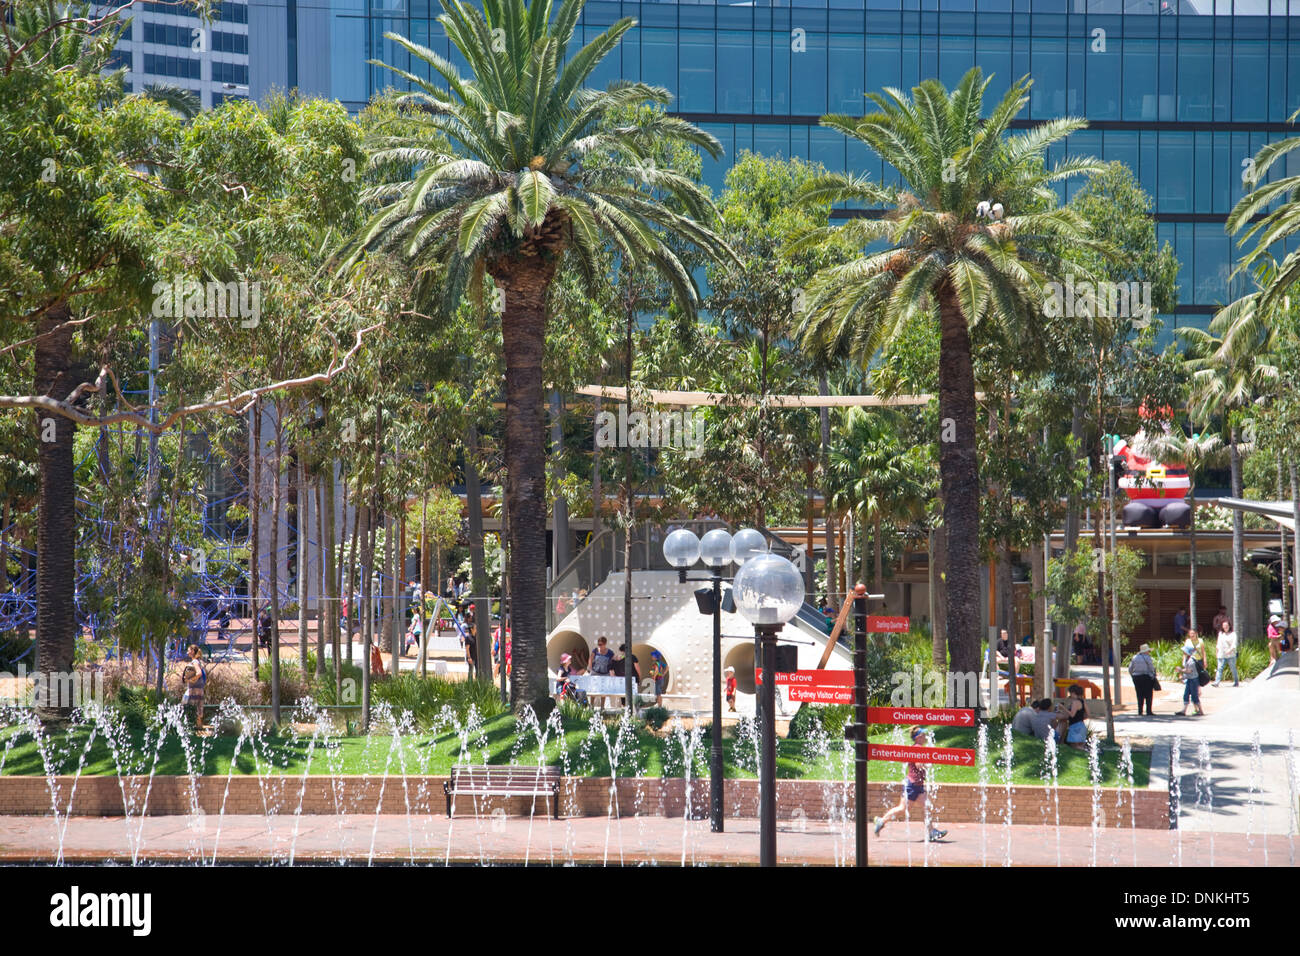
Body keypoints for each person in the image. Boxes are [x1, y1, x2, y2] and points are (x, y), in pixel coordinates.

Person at [872, 727, 947, 842]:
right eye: (923, 735)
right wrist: (929, 764)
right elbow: (918, 765)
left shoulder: (916, 748)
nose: (925, 737)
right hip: (913, 785)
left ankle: (932, 832)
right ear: (918, 737)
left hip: (916, 784)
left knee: (926, 807)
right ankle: (881, 821)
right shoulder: (917, 748)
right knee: (903, 808)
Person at [180, 644, 207, 730]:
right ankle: (199, 729)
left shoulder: (195, 662)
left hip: (193, 690)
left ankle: (190, 729)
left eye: (188, 650)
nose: (187, 652)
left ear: (192, 651)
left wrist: (191, 680)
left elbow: (199, 673)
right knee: (198, 712)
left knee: (188, 708)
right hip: (199, 689)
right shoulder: (199, 661)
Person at [1129, 642, 1158, 716]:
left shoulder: (1134, 657)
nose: (1149, 652)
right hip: (1146, 677)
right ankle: (1148, 711)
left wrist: (1133, 676)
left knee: (1139, 694)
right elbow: (1151, 668)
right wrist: (1153, 674)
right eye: (1148, 651)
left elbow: (1130, 668)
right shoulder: (1148, 658)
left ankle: (1140, 711)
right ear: (1146, 651)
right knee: (1148, 694)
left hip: (1136, 677)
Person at [1176, 640, 1203, 716]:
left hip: (1193, 680)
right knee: (1186, 694)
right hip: (1189, 679)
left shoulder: (1191, 661)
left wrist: (1181, 670)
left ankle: (1200, 710)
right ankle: (1184, 710)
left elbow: (1190, 671)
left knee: (1194, 696)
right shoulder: (1186, 659)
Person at [588, 636, 614, 709]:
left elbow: (613, 661)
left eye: (601, 644)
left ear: (605, 644)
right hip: (595, 672)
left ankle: (602, 707)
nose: (599, 646)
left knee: (603, 690)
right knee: (593, 689)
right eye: (598, 644)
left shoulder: (610, 652)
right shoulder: (595, 651)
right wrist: (590, 669)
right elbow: (590, 659)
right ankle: (591, 706)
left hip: (605, 673)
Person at [1214, 618, 1239, 687]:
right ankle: (1217, 682)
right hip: (1221, 654)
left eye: (1227, 625)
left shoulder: (1233, 634)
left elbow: (1234, 644)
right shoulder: (1221, 634)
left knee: (1233, 668)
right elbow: (1218, 644)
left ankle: (1236, 681)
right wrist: (1217, 652)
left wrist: (1229, 651)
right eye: (1224, 626)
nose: (1225, 627)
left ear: (1229, 626)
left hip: (1231, 655)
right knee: (1219, 668)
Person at [1063, 683, 1089, 749]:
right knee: (1080, 745)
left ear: (1073, 693)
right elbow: (1088, 714)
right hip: (1081, 725)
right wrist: (1080, 718)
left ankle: (1088, 751)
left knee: (1074, 746)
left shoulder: (1075, 702)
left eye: (1070, 693)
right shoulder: (1083, 701)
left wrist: (1063, 708)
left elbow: (1072, 714)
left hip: (1075, 726)